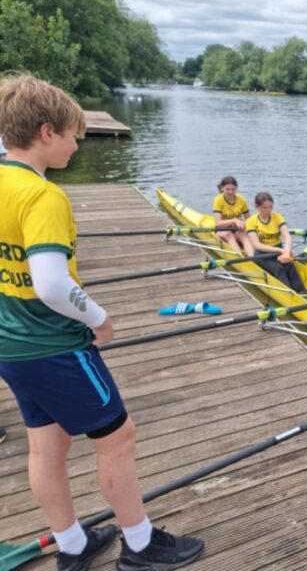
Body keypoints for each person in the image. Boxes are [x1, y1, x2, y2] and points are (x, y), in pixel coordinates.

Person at [0, 74, 204, 571]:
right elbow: (50, 283)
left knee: (46, 445)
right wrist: (99, 317)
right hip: (56, 344)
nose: (78, 141)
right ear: (46, 132)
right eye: (73, 133)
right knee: (119, 437)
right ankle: (139, 545)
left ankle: (72, 547)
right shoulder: (42, 196)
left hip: (10, 346)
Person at [245, 192, 306, 293]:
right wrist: (280, 250)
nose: (269, 210)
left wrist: (286, 251)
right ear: (257, 207)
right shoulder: (251, 221)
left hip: (278, 253)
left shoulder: (277, 217)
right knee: (279, 269)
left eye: (271, 207)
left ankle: (302, 293)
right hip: (262, 256)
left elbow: (287, 236)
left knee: (290, 266)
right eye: (265, 207)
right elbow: (256, 245)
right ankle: (288, 294)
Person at [212, 175, 255, 256]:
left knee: (244, 236)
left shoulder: (241, 199)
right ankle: (239, 257)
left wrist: (245, 224)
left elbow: (249, 219)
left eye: (233, 189)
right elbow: (218, 223)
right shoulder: (218, 200)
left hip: (237, 229)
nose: (230, 192)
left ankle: (252, 258)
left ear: (236, 188)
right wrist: (235, 220)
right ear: (222, 188)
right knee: (229, 235)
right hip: (222, 230)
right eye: (227, 189)